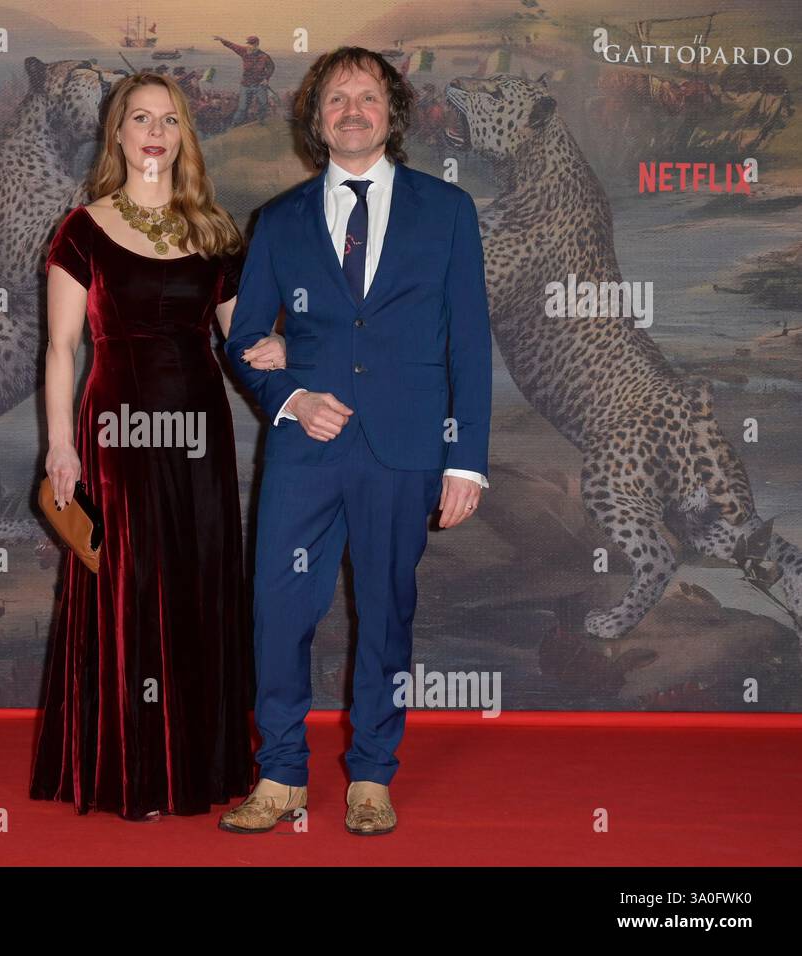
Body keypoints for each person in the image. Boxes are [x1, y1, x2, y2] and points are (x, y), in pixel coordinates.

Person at [220, 48, 492, 835]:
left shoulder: (447, 212)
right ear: (317, 118)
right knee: (277, 609)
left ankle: (372, 775)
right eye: (335, 97)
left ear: (391, 113)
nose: (351, 109)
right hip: (306, 451)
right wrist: (294, 394)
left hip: (406, 449)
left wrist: (466, 457)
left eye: (366, 96)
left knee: (387, 612)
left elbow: (469, 344)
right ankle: (279, 776)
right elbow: (241, 341)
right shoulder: (280, 220)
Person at [29, 72, 287, 820]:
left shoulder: (212, 230)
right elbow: (61, 349)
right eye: (139, 117)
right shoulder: (82, 228)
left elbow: (242, 339)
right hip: (116, 433)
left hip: (201, 434)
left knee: (197, 579)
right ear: (117, 133)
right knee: (131, 586)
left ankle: (200, 767)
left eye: (169, 120)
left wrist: (277, 346)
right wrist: (60, 447)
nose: (154, 131)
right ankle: (132, 770)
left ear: (184, 136)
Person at [213, 35, 275, 126]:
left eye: (252, 44)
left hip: (259, 84)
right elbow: (232, 46)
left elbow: (271, 67)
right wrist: (222, 40)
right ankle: (234, 124)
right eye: (248, 44)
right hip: (245, 85)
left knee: (263, 104)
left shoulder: (264, 56)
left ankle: (261, 120)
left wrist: (266, 79)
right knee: (242, 107)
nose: (249, 46)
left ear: (257, 44)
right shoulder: (244, 51)